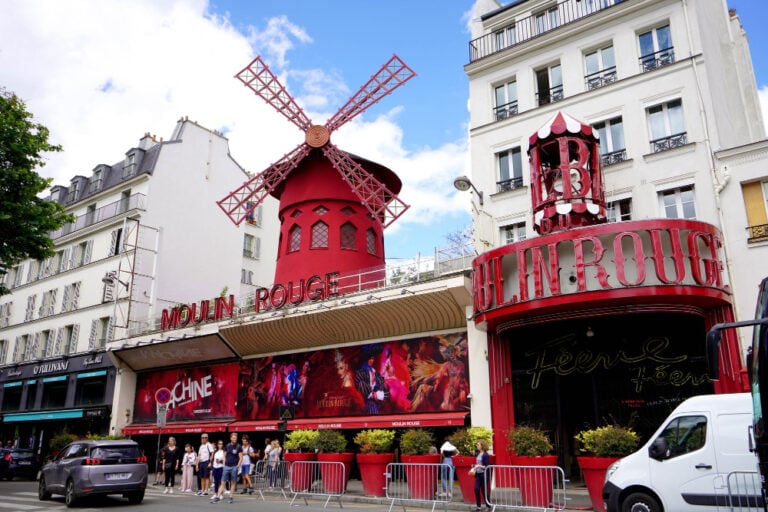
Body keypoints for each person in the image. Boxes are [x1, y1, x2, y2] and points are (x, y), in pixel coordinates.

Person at [213, 432, 243, 504]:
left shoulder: (239, 446)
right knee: (223, 482)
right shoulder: (227, 446)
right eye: (233, 437)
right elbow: (224, 455)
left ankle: (231, 497)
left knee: (232, 482)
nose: (235, 439)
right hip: (226, 466)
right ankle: (218, 497)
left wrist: (237, 466)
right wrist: (223, 464)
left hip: (234, 466)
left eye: (235, 438)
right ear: (231, 438)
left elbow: (241, 457)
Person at [471, 440, 491, 512]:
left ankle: (488, 506)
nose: (477, 446)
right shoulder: (478, 454)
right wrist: (474, 467)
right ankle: (478, 506)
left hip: (484, 475)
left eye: (478, 445)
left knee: (484, 491)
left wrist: (479, 466)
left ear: (482, 446)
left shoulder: (485, 455)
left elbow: (487, 466)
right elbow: (478, 464)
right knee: (476, 489)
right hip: (478, 474)